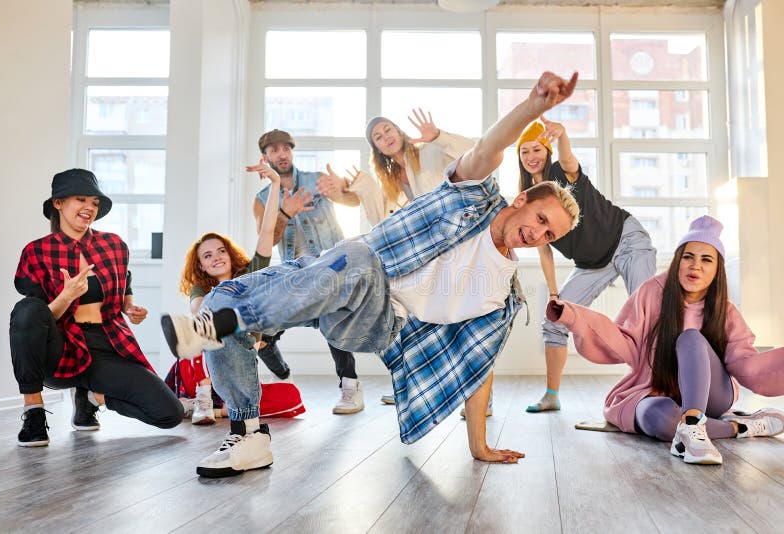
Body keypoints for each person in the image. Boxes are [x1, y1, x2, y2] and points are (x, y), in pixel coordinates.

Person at [161, 70, 581, 476]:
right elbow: (488, 149)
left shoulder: (502, 296)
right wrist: (532, 106)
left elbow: (478, 363)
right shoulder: (474, 196)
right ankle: (248, 433)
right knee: (224, 297)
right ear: (523, 197)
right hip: (331, 276)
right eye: (542, 218)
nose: (537, 233)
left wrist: (479, 444)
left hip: (378, 321)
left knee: (358, 258)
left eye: (550, 234)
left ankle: (226, 324)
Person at [545, 215, 784, 465]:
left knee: (691, 338)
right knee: (662, 420)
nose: (695, 266)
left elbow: (746, 364)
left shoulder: (726, 310)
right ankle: (734, 428)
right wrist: (573, 315)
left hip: (713, 396)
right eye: (688, 257)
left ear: (717, 270)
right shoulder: (652, 292)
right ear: (677, 261)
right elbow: (624, 339)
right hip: (657, 389)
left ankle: (694, 422)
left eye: (706, 260)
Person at [9, 169, 183, 447]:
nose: (89, 207)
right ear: (58, 203)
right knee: (26, 309)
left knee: (170, 413)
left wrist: (129, 305)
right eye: (81, 199)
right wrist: (66, 297)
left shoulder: (114, 245)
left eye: (94, 202)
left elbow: (124, 279)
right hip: (59, 348)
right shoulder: (37, 251)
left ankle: (90, 398)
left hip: (105, 345)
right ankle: (34, 412)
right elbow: (36, 319)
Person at [317, 109, 475, 406]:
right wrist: (353, 190)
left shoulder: (430, 153)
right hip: (421, 257)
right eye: (377, 137)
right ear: (376, 148)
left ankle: (478, 395)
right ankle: (411, 386)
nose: (384, 137)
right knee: (408, 322)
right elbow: (379, 217)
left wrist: (438, 136)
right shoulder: (387, 179)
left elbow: (473, 153)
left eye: (387, 130)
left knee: (461, 318)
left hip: (453, 246)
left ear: (399, 131)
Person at [517, 116, 657, 413]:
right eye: (525, 151)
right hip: (592, 263)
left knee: (648, 318)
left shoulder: (557, 174)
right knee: (553, 319)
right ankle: (551, 395)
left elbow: (569, 162)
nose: (531, 157)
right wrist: (554, 292)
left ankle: (657, 389)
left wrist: (564, 134)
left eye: (537, 149)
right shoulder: (527, 197)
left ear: (547, 151)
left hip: (626, 239)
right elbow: (544, 250)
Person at [176, 164, 304, 426]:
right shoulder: (202, 288)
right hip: (201, 368)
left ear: (229, 254)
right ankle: (202, 399)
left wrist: (276, 184)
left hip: (237, 367)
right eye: (207, 256)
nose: (216, 258)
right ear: (201, 266)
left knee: (291, 398)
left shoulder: (250, 275)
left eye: (220, 251)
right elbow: (198, 310)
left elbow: (267, 232)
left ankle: (218, 409)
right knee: (205, 329)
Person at [255, 129, 364, 414]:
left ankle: (350, 386)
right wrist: (284, 212)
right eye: (274, 150)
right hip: (295, 275)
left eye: (285, 148)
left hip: (331, 267)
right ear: (264, 157)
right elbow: (266, 240)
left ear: (291, 152)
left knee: (334, 324)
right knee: (261, 332)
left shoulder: (317, 180)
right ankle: (283, 379)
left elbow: (354, 201)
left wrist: (340, 190)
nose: (281, 154)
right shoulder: (264, 198)